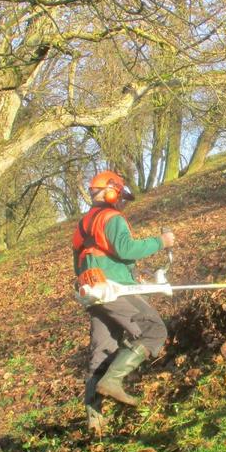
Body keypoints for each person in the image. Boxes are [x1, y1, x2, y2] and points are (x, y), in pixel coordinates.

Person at [72, 170, 176, 432]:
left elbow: (86, 260)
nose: (121, 203)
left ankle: (94, 420)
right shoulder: (112, 218)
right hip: (113, 290)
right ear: (112, 192)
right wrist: (161, 242)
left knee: (102, 351)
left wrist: (130, 274)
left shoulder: (85, 223)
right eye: (120, 197)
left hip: (93, 291)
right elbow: (126, 249)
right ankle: (113, 381)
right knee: (155, 330)